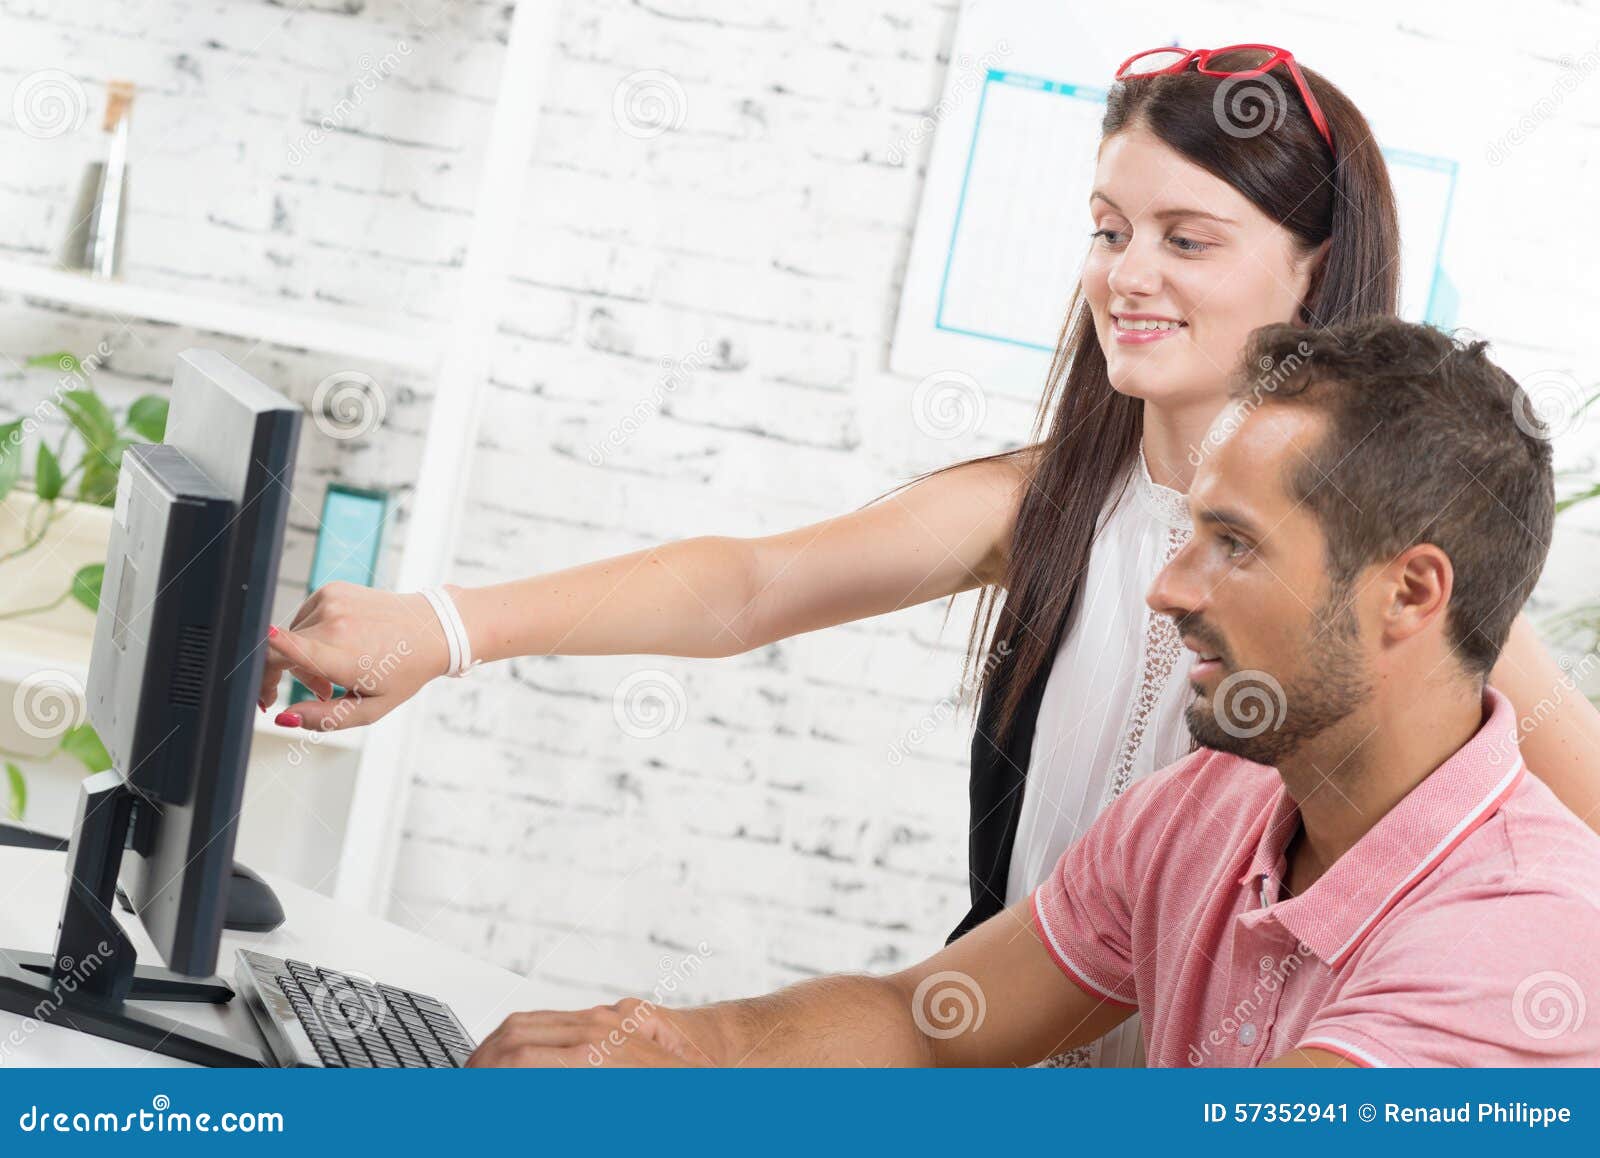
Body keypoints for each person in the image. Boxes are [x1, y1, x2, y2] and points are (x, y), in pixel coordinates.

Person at [258, 45, 1600, 1067]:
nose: (1128, 275)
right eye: (1109, 229)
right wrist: (440, 625)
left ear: (1309, 273)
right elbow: (751, 586)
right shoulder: (1067, 511)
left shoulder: (1414, 610)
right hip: (1020, 1024)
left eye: (1187, 239)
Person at [465, 317, 1600, 1069]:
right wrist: (675, 1045)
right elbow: (930, 1024)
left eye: (1234, 546)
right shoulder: (1205, 809)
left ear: (1409, 593)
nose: (1168, 587)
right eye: (1185, 533)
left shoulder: (1524, 935)